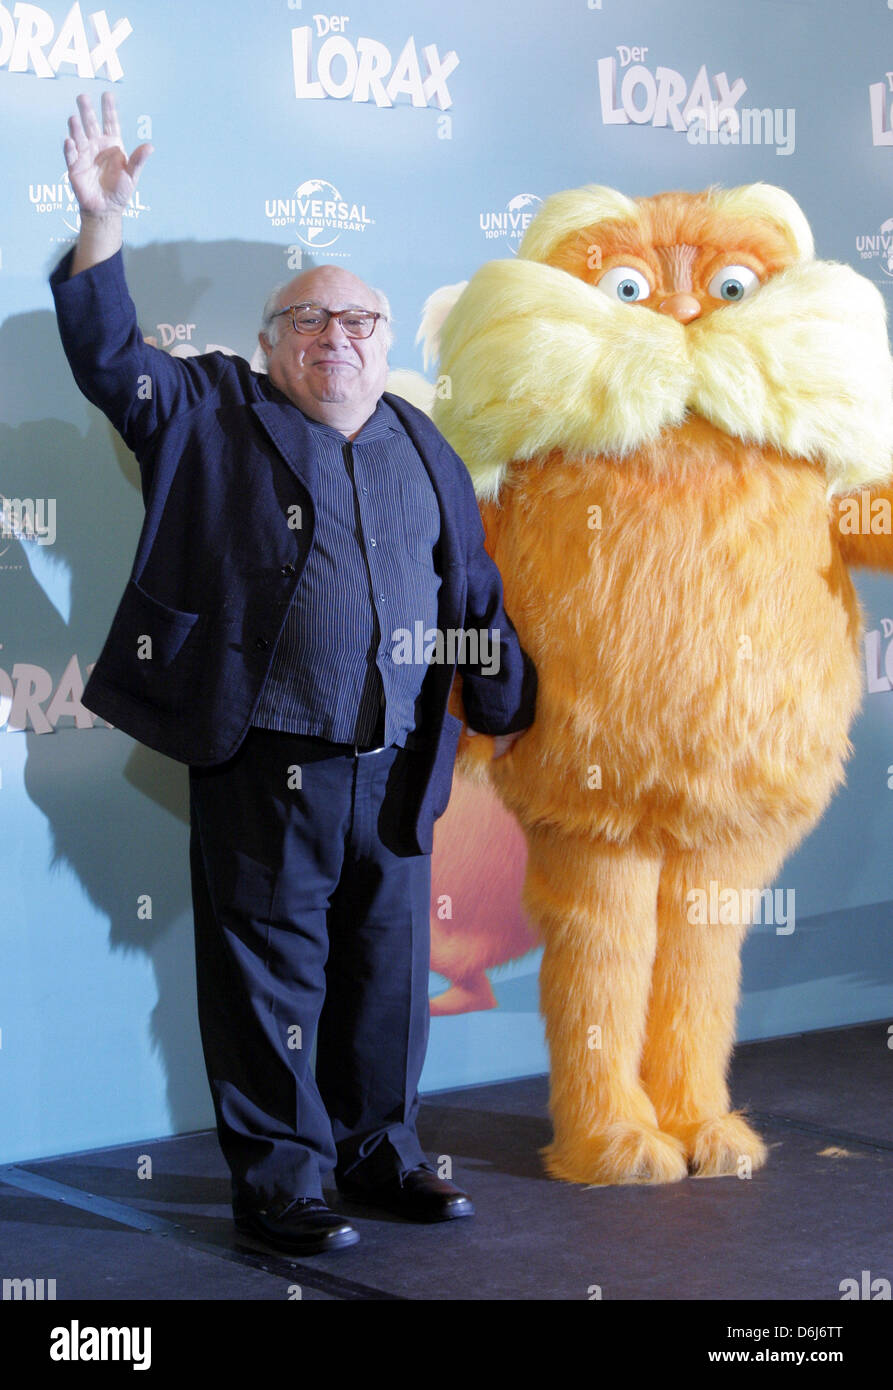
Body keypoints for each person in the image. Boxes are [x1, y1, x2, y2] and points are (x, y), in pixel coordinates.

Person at [51, 93, 537, 1256]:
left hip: (398, 764)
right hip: (269, 761)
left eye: (360, 319)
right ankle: (283, 1180)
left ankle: (380, 1155)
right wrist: (101, 224)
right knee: (268, 982)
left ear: (386, 339)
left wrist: (510, 696)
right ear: (271, 343)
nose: (338, 337)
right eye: (308, 320)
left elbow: (468, 591)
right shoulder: (212, 407)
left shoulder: (425, 443)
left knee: (382, 981)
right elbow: (113, 360)